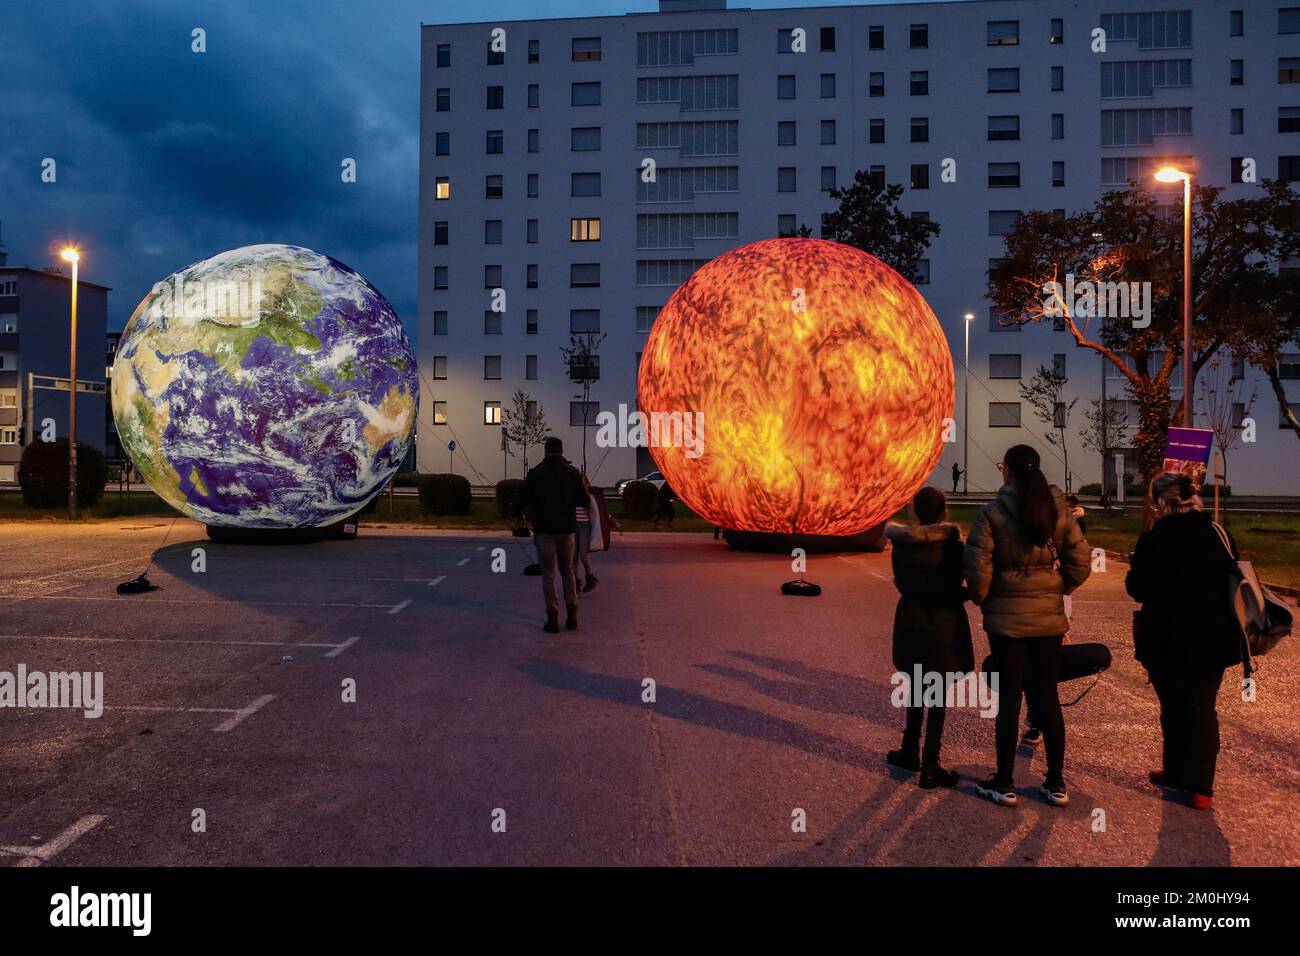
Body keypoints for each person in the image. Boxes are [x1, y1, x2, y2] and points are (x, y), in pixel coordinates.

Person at [964, 444, 1091, 808]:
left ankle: (1004, 781)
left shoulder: (991, 514)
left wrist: (985, 597)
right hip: (1049, 620)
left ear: (1009, 472)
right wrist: (1060, 585)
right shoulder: (1058, 511)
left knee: (1009, 700)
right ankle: (1055, 782)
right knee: (1047, 697)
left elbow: (977, 567)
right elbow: (1080, 559)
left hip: (1006, 623)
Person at [1125, 473, 1242, 811]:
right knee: (1202, 707)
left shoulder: (1154, 540)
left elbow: (1139, 590)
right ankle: (1201, 787)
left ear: (1163, 503)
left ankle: (1177, 771)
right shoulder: (1218, 534)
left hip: (1167, 640)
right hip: (1214, 639)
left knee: (1172, 706)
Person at [884, 486, 974, 789]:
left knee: (916, 685)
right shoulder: (954, 546)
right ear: (942, 510)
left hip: (912, 619)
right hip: (944, 622)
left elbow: (901, 581)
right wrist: (963, 594)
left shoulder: (902, 545)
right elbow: (964, 580)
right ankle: (931, 763)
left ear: (915, 510)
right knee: (937, 694)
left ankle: (910, 751)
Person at [515, 436, 587, 633]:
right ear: (562, 451)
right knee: (568, 571)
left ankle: (552, 618)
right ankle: (572, 616)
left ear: (546, 452)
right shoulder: (573, 473)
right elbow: (584, 500)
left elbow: (520, 500)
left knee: (548, 573)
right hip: (567, 530)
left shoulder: (536, 473)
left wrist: (523, 514)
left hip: (544, 530)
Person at [573, 472, 599, 593]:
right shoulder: (571, 494)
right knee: (573, 556)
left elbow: (596, 512)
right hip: (573, 527)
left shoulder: (588, 496)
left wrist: (611, 520)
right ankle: (575, 581)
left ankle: (590, 577)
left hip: (584, 527)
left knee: (583, 554)